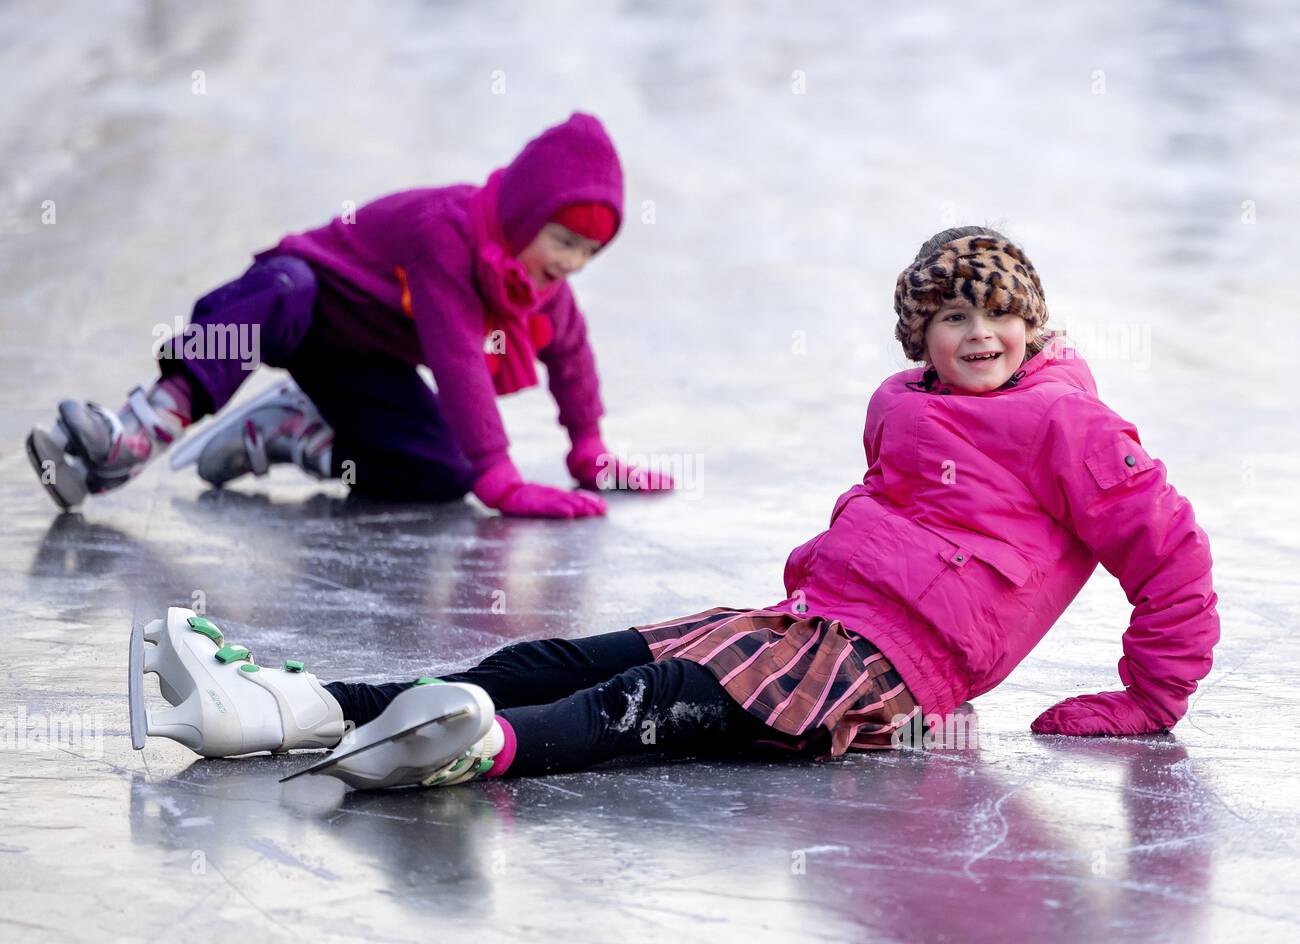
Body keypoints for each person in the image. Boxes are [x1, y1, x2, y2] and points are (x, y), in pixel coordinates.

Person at [129, 227, 1220, 789]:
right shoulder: (907, 406)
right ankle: (303, 706)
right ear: (917, 337)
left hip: (888, 673)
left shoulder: (1073, 427)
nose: (980, 332)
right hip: (815, 621)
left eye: (1002, 313)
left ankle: (481, 747)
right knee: (570, 655)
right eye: (953, 316)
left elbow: (1168, 553)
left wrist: (1145, 697)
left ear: (1033, 321)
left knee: (654, 697)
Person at [28, 112, 673, 518]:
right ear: (524, 217)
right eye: (564, 241)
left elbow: (572, 354)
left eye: (591, 251)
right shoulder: (445, 232)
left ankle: (294, 432)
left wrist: (589, 449)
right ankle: (146, 423)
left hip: (364, 360)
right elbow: (457, 358)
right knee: (283, 288)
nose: (575, 263)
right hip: (310, 303)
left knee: (445, 471)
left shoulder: (539, 283)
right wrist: (502, 478)